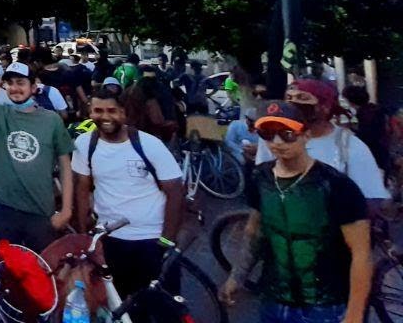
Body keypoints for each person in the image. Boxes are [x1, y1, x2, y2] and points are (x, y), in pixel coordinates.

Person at [220, 101, 371, 323]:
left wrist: (355, 314)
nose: (277, 142)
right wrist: (237, 276)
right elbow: (255, 231)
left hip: (326, 307)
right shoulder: (260, 178)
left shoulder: (337, 186)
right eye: (268, 134)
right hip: (274, 302)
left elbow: (362, 255)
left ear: (306, 135)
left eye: (287, 134)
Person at [72, 83, 184, 314]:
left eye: (112, 111)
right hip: (112, 241)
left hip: (151, 240)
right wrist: (85, 238)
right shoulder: (85, 145)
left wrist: (167, 241)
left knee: (166, 310)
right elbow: (82, 190)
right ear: (90, 112)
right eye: (98, 111)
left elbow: (175, 192)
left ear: (124, 113)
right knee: (125, 308)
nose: (105, 117)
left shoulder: (149, 144)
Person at [0, 60, 73, 252]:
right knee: (5, 269)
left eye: (21, 82)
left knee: (43, 271)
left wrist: (66, 210)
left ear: (33, 87)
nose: (15, 88)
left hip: (40, 211)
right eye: (10, 83)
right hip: (4, 209)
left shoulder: (51, 120)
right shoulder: (0, 113)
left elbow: (65, 165)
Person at [255, 78, 389, 210]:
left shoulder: (350, 146)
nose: (293, 104)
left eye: (302, 98)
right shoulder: (271, 137)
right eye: (288, 98)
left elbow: (371, 200)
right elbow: (262, 186)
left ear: (325, 107)